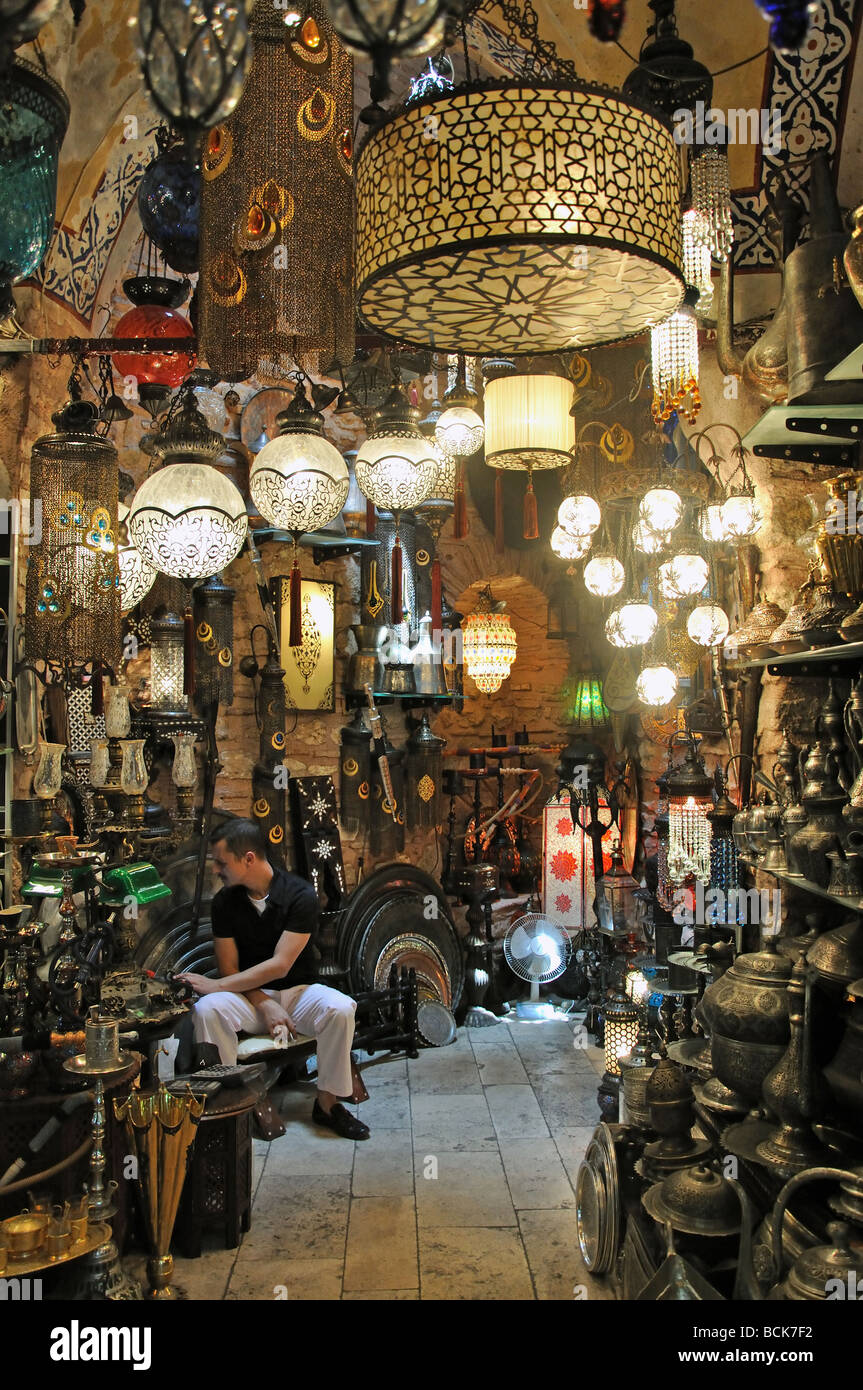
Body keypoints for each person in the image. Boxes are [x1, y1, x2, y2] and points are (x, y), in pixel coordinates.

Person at [177, 819, 369, 1141]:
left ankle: (328, 1103)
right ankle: (230, 1105)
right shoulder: (225, 902)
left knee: (341, 1008)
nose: (215, 869)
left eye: (222, 862)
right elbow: (229, 969)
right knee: (207, 1009)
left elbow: (280, 965)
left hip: (299, 994)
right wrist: (264, 1004)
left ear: (248, 859)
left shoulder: (300, 895)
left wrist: (216, 986)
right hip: (249, 998)